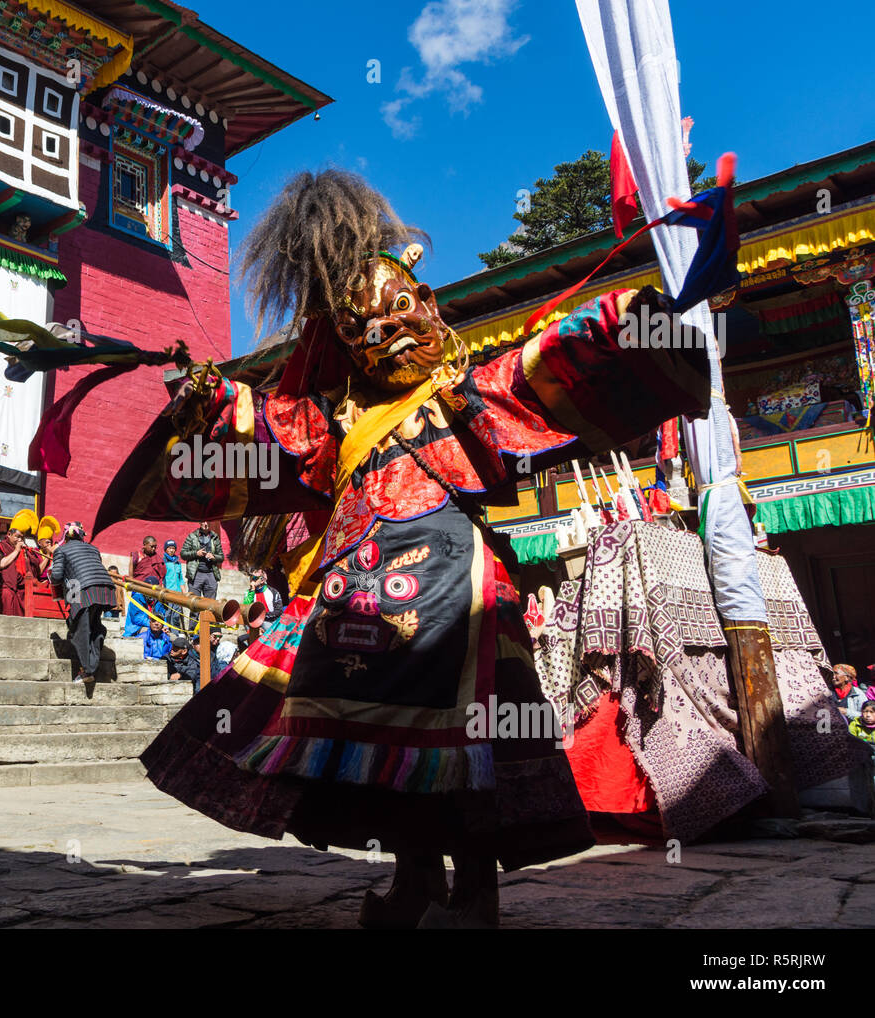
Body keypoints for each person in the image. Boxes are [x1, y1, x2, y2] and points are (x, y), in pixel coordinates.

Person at [94, 169, 715, 928]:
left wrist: (634, 320)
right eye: (371, 325)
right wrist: (209, 395)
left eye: (403, 313)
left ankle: (477, 895)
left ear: (427, 308)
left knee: (463, 744)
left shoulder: (461, 396)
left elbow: (542, 367)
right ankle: (416, 880)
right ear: (347, 339)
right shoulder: (336, 419)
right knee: (370, 746)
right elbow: (266, 433)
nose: (392, 332)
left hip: (453, 591)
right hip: (351, 588)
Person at [49, 522, 118, 683]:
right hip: (104, 588)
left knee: (80, 631)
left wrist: (52, 573)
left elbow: (57, 576)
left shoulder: (61, 550)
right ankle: (93, 657)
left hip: (79, 588)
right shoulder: (93, 548)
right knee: (94, 626)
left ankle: (86, 671)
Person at [0, 528, 42, 617]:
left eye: (21, 538)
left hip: (22, 585)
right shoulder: (1, 546)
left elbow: (36, 569)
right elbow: (2, 564)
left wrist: (26, 556)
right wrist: (16, 551)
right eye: (17, 537)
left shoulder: (25, 551)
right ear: (9, 534)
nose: (19, 540)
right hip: (5, 584)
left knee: (29, 596)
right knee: (7, 594)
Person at [122, 535, 163, 637]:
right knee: (137, 612)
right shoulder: (136, 556)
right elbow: (131, 573)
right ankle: (134, 630)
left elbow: (161, 573)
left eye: (155, 547)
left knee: (155, 610)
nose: (154, 549)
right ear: (144, 545)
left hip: (153, 590)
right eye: (151, 546)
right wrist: (131, 585)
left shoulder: (156, 557)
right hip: (138, 589)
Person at [181, 522, 223, 600]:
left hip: (211, 574)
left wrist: (213, 557)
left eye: (208, 522)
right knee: (194, 605)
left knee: (210, 605)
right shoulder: (192, 536)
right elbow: (183, 554)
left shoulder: (214, 537)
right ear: (200, 523)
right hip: (196, 574)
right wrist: (196, 553)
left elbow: (221, 557)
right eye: (203, 522)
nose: (206, 524)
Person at [159, 539, 186, 632]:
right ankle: (166, 633)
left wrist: (184, 593)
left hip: (177, 594)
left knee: (176, 616)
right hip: (168, 593)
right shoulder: (163, 562)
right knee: (167, 614)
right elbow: (162, 578)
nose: (171, 550)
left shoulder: (178, 563)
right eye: (169, 548)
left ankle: (175, 634)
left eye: (173, 548)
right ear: (165, 549)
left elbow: (181, 579)